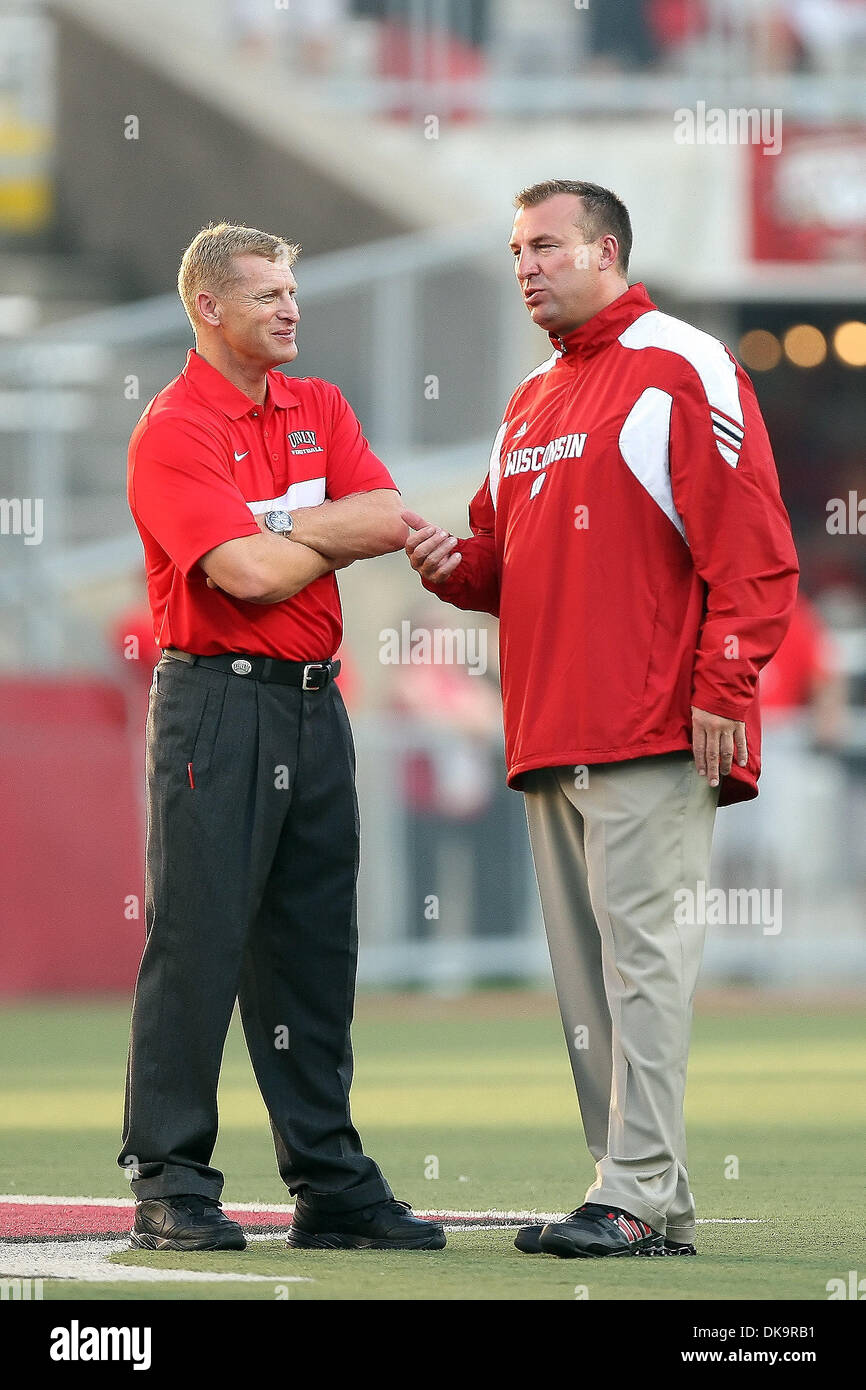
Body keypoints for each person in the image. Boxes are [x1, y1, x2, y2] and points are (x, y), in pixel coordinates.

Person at [403, 180, 799, 1259]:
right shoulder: (529, 396)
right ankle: (634, 1194)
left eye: (544, 246)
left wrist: (723, 684)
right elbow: (505, 563)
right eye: (514, 250)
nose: (524, 266)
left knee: (642, 966)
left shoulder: (679, 360)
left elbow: (752, 545)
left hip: (652, 725)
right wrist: (453, 567)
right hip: (547, 731)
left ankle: (632, 1190)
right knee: (587, 984)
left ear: (606, 250)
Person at [121, 221, 445, 1254]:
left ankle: (329, 1181)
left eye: (290, 290)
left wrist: (274, 530)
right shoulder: (172, 428)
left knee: (312, 949)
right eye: (265, 293)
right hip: (215, 699)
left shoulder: (321, 404)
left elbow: (388, 514)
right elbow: (247, 578)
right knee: (199, 939)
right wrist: (314, 528)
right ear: (208, 308)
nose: (289, 308)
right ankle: (170, 1177)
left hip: (314, 699)